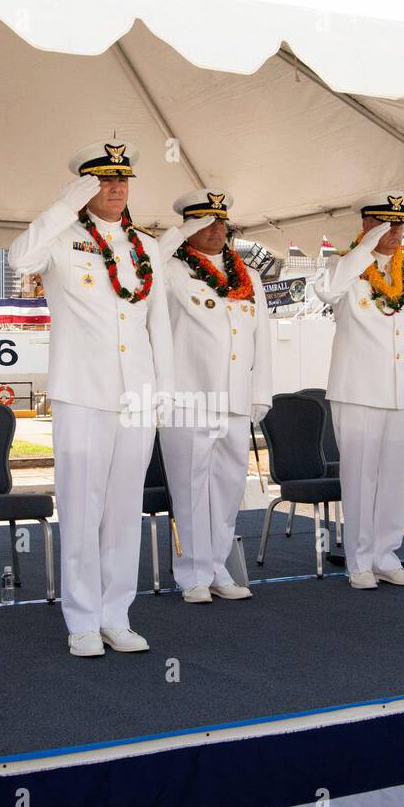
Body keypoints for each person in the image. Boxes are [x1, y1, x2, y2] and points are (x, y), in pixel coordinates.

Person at [7, 142, 174, 657]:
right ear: (84, 187)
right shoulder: (62, 239)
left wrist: (163, 391)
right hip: (83, 392)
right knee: (81, 508)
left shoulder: (145, 248)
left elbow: (158, 325)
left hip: (137, 394)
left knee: (124, 510)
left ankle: (116, 613)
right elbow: (20, 257)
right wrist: (63, 205)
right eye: (103, 180)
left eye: (123, 180)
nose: (116, 188)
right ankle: (81, 619)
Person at [158, 190, 272, 603]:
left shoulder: (249, 277)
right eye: (205, 222)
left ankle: (219, 567)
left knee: (226, 489)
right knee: (190, 489)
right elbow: (148, 260)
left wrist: (261, 393)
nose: (217, 229)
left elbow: (264, 341)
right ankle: (192, 574)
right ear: (189, 228)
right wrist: (181, 231)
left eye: (222, 221)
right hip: (188, 397)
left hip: (236, 399)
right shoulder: (170, 269)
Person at [315, 191, 404, 590]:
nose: (395, 231)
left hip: (399, 392)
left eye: (399, 224)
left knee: (391, 477)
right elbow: (327, 291)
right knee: (360, 476)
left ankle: (386, 554)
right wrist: (364, 249)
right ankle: (359, 560)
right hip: (358, 390)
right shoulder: (344, 269)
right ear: (366, 225)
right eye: (385, 223)